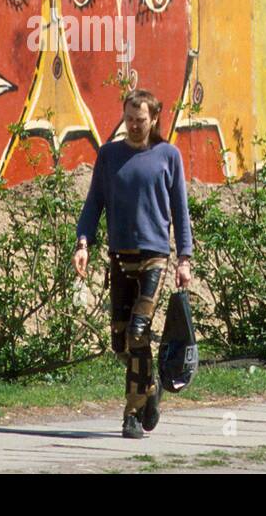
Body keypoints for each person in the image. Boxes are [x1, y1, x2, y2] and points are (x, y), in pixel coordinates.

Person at [74, 89, 194, 439]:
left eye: (141, 120)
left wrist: (183, 259)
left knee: (137, 332)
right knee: (121, 344)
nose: (135, 126)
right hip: (119, 260)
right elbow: (93, 203)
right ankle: (151, 387)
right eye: (129, 119)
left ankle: (131, 414)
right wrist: (83, 242)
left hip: (153, 258)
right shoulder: (109, 156)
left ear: (154, 119)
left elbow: (180, 212)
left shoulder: (168, 155)